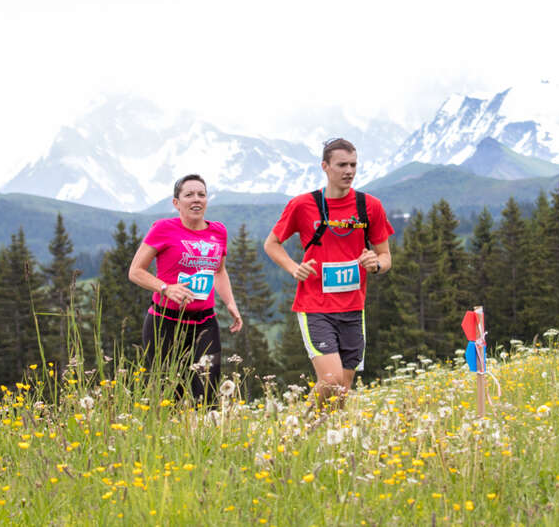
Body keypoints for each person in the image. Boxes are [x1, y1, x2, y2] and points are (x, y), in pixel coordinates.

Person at [264, 138, 394, 411]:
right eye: (341, 165)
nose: (349, 171)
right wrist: (293, 267)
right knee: (332, 380)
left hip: (353, 308)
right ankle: (296, 430)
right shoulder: (302, 205)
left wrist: (376, 264)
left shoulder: (370, 206)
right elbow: (271, 244)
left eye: (353, 165)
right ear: (325, 166)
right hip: (315, 306)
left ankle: (318, 438)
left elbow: (385, 257)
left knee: (342, 390)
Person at [128, 174, 243, 404]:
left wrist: (230, 303)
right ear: (176, 202)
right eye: (189, 195)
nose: (196, 199)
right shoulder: (163, 229)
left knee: (209, 395)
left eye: (201, 194)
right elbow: (135, 271)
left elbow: (219, 271)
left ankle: (207, 438)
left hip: (205, 321)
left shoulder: (218, 231)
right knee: (170, 396)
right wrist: (165, 288)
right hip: (165, 322)